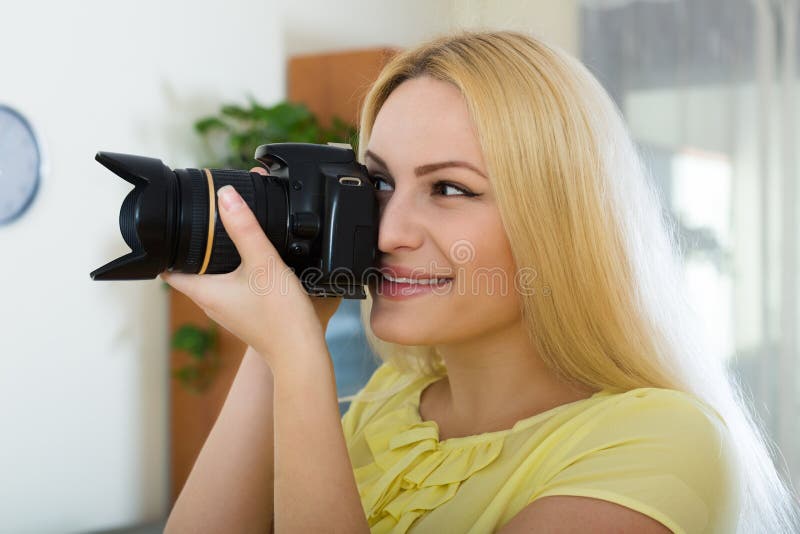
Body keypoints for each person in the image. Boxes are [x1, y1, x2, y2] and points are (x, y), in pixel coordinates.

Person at [162, 30, 800, 533]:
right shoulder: (391, 404)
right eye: (379, 183)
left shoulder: (664, 442)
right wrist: (275, 347)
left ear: (558, 224)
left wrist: (301, 363)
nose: (387, 232)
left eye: (449, 188)